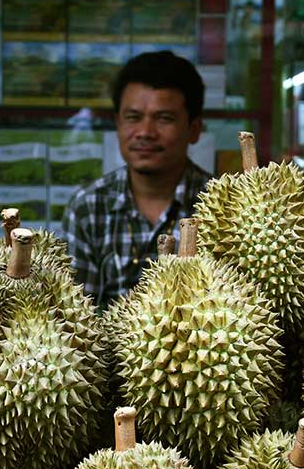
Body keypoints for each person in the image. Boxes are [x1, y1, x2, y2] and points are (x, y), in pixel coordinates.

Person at [61, 51, 212, 307]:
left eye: (164, 118)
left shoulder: (222, 207)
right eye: (133, 118)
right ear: (118, 123)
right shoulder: (88, 207)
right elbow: (75, 314)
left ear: (194, 129)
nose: (145, 132)